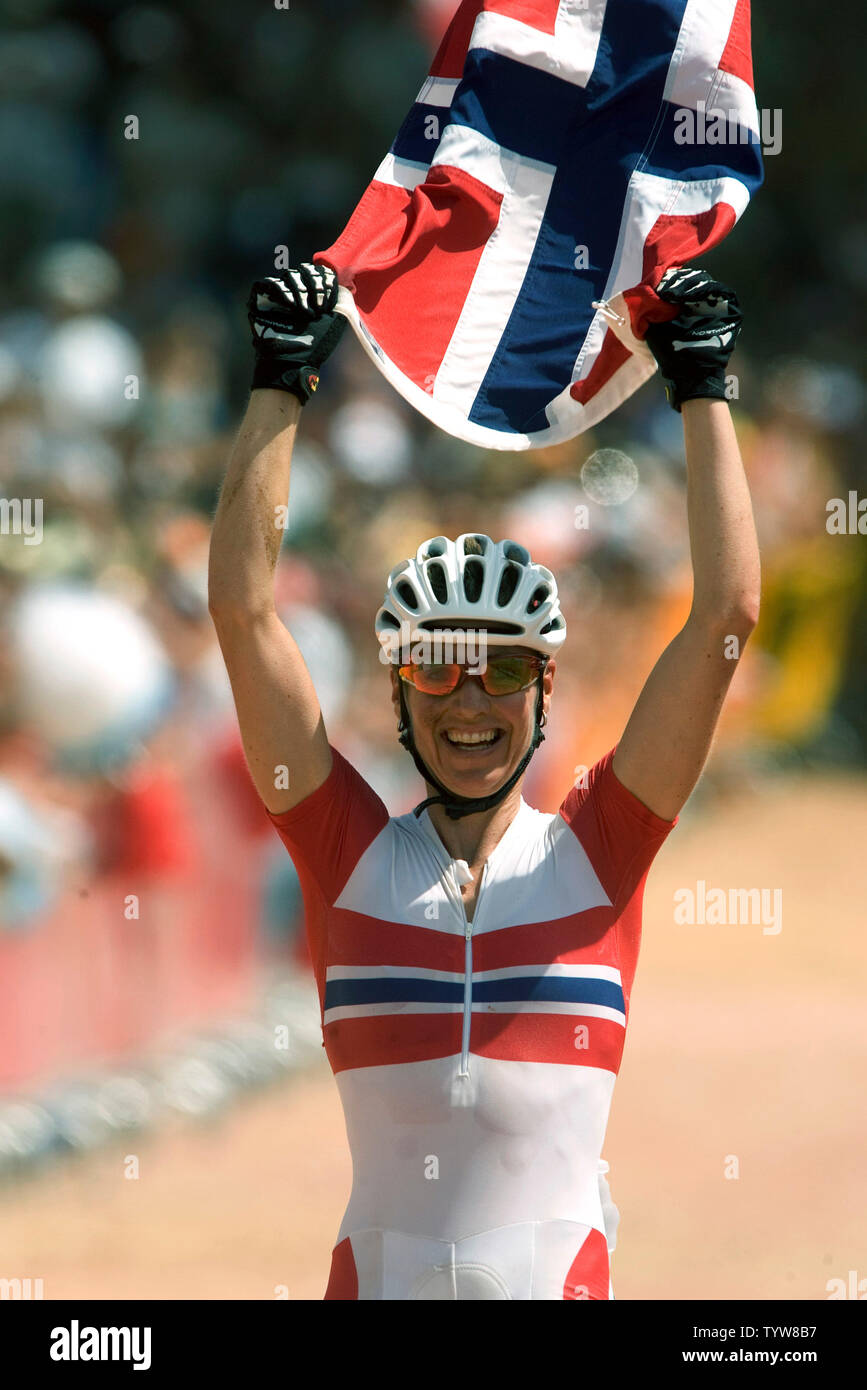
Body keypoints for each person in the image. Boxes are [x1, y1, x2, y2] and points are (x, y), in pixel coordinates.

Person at [208, 261, 760, 1300]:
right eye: (435, 668)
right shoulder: (344, 854)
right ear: (397, 691)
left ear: (544, 690)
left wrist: (703, 386)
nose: (470, 700)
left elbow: (724, 618)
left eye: (503, 669)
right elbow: (244, 615)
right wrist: (279, 380)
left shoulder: (598, 849)